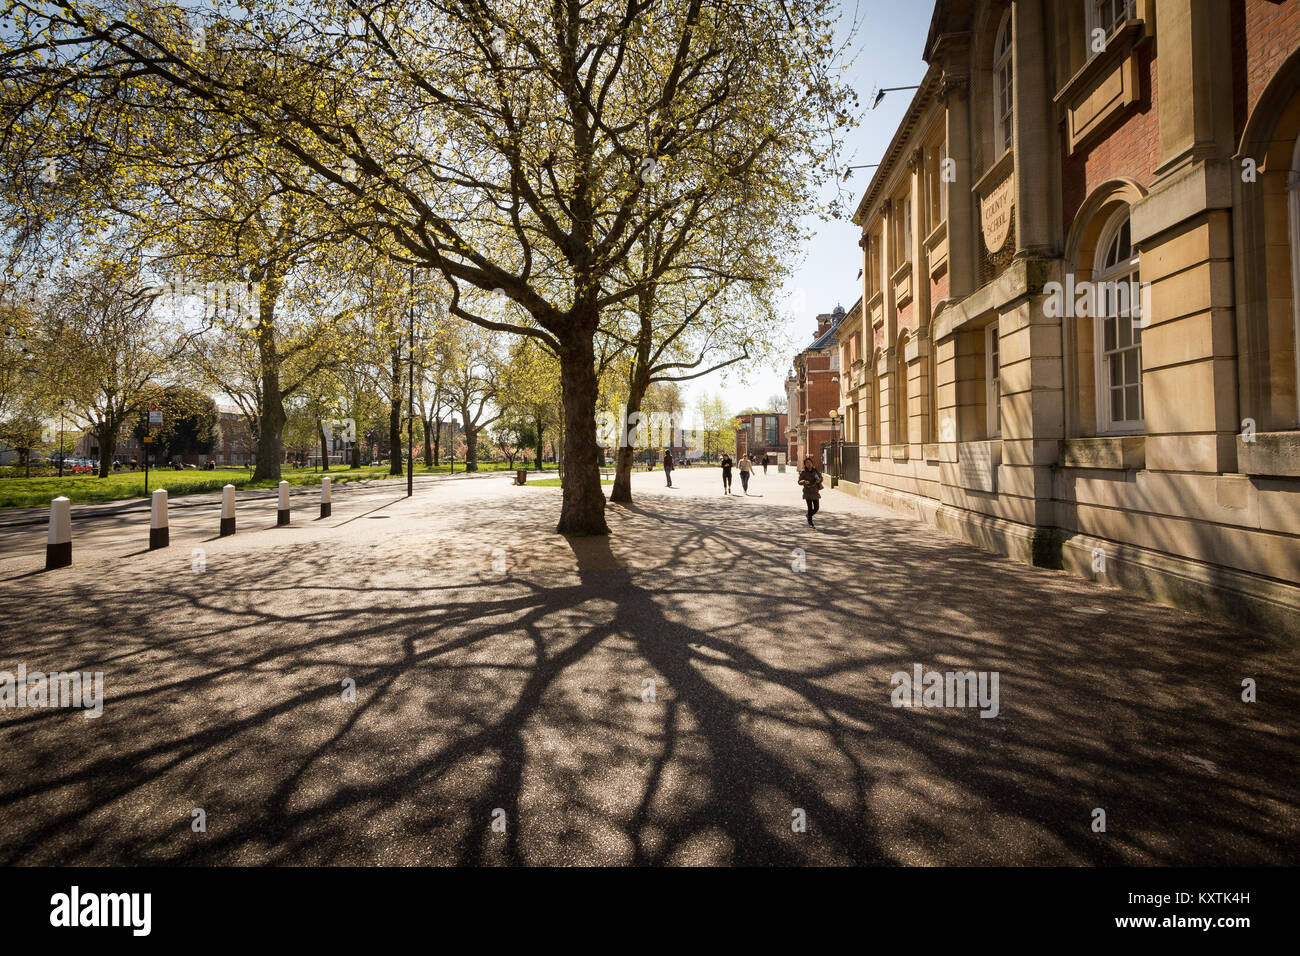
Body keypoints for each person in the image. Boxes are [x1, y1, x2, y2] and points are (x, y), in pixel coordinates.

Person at [798, 456, 824, 527]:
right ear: (805, 464)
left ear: (812, 463)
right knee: (810, 508)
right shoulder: (803, 472)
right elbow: (799, 482)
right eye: (807, 463)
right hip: (807, 492)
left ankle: (808, 516)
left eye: (810, 463)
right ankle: (810, 523)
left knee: (816, 508)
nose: (808, 464)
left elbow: (821, 477)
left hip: (815, 491)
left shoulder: (815, 471)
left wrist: (820, 479)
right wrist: (804, 481)